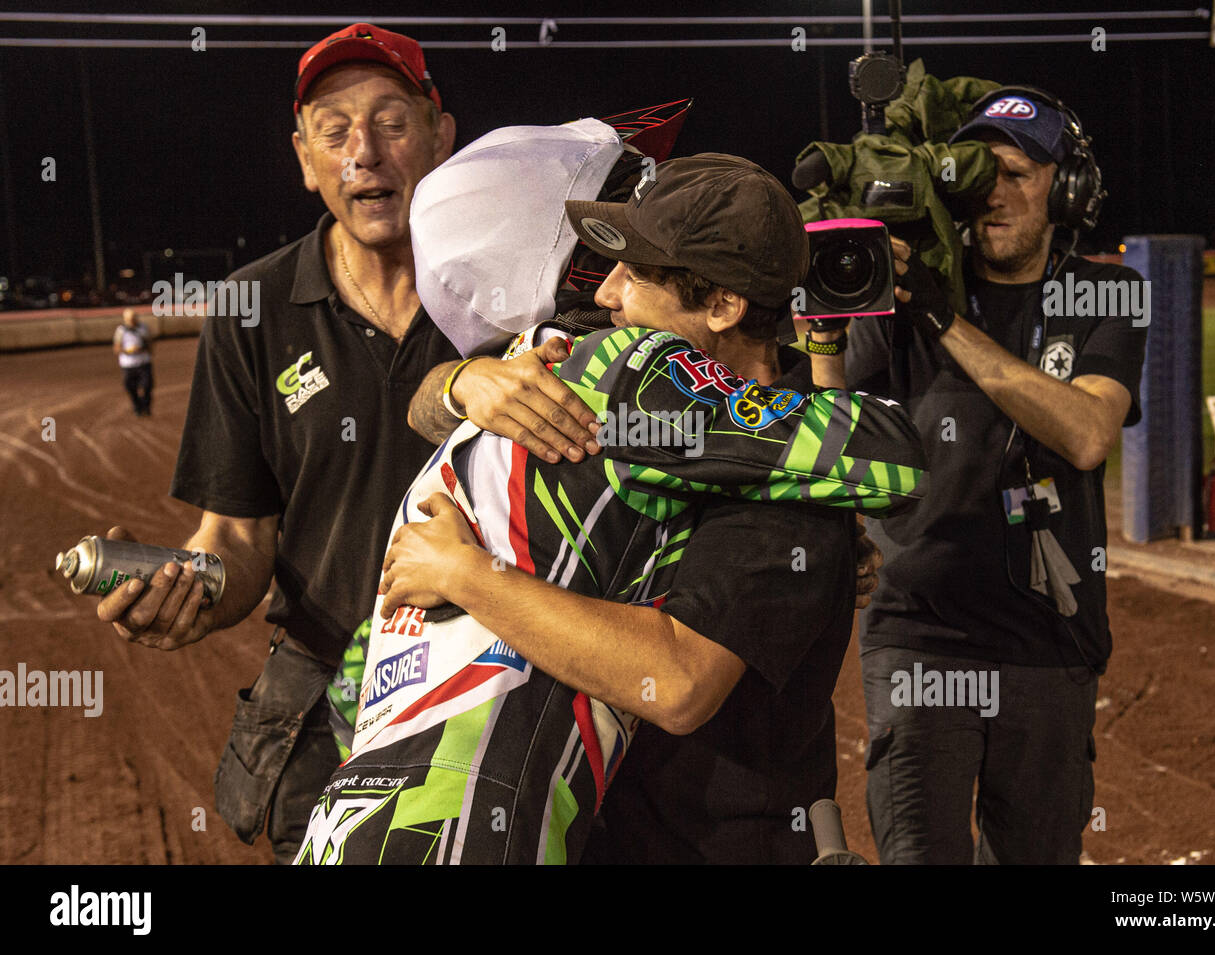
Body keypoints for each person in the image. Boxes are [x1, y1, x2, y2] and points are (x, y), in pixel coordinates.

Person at [298, 154, 926, 865]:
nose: (609, 297)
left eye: (638, 275)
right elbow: (423, 406)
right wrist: (462, 381)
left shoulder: (789, 480)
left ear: (722, 306)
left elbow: (681, 683)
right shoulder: (628, 406)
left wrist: (464, 574)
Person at [83, 23, 574, 864]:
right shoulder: (252, 308)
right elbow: (237, 536)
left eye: (391, 121)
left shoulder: (522, 290)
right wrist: (186, 591)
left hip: (501, 685)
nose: (365, 153)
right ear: (304, 158)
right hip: (329, 704)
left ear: (441, 136)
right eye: (335, 130)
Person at [842, 86, 1148, 864]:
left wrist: (949, 322)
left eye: (1020, 174)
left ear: (1068, 189)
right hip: (920, 630)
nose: (997, 193)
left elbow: (1085, 435)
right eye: (982, 175)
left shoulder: (1106, 291)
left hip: (1049, 638)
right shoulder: (901, 292)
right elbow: (833, 419)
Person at [113, 307, 152, 416]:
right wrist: (127, 351)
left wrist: (142, 349)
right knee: (130, 387)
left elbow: (149, 344)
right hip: (128, 364)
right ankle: (137, 405)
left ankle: (146, 406)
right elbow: (116, 348)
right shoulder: (121, 331)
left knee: (147, 386)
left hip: (143, 362)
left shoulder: (143, 328)